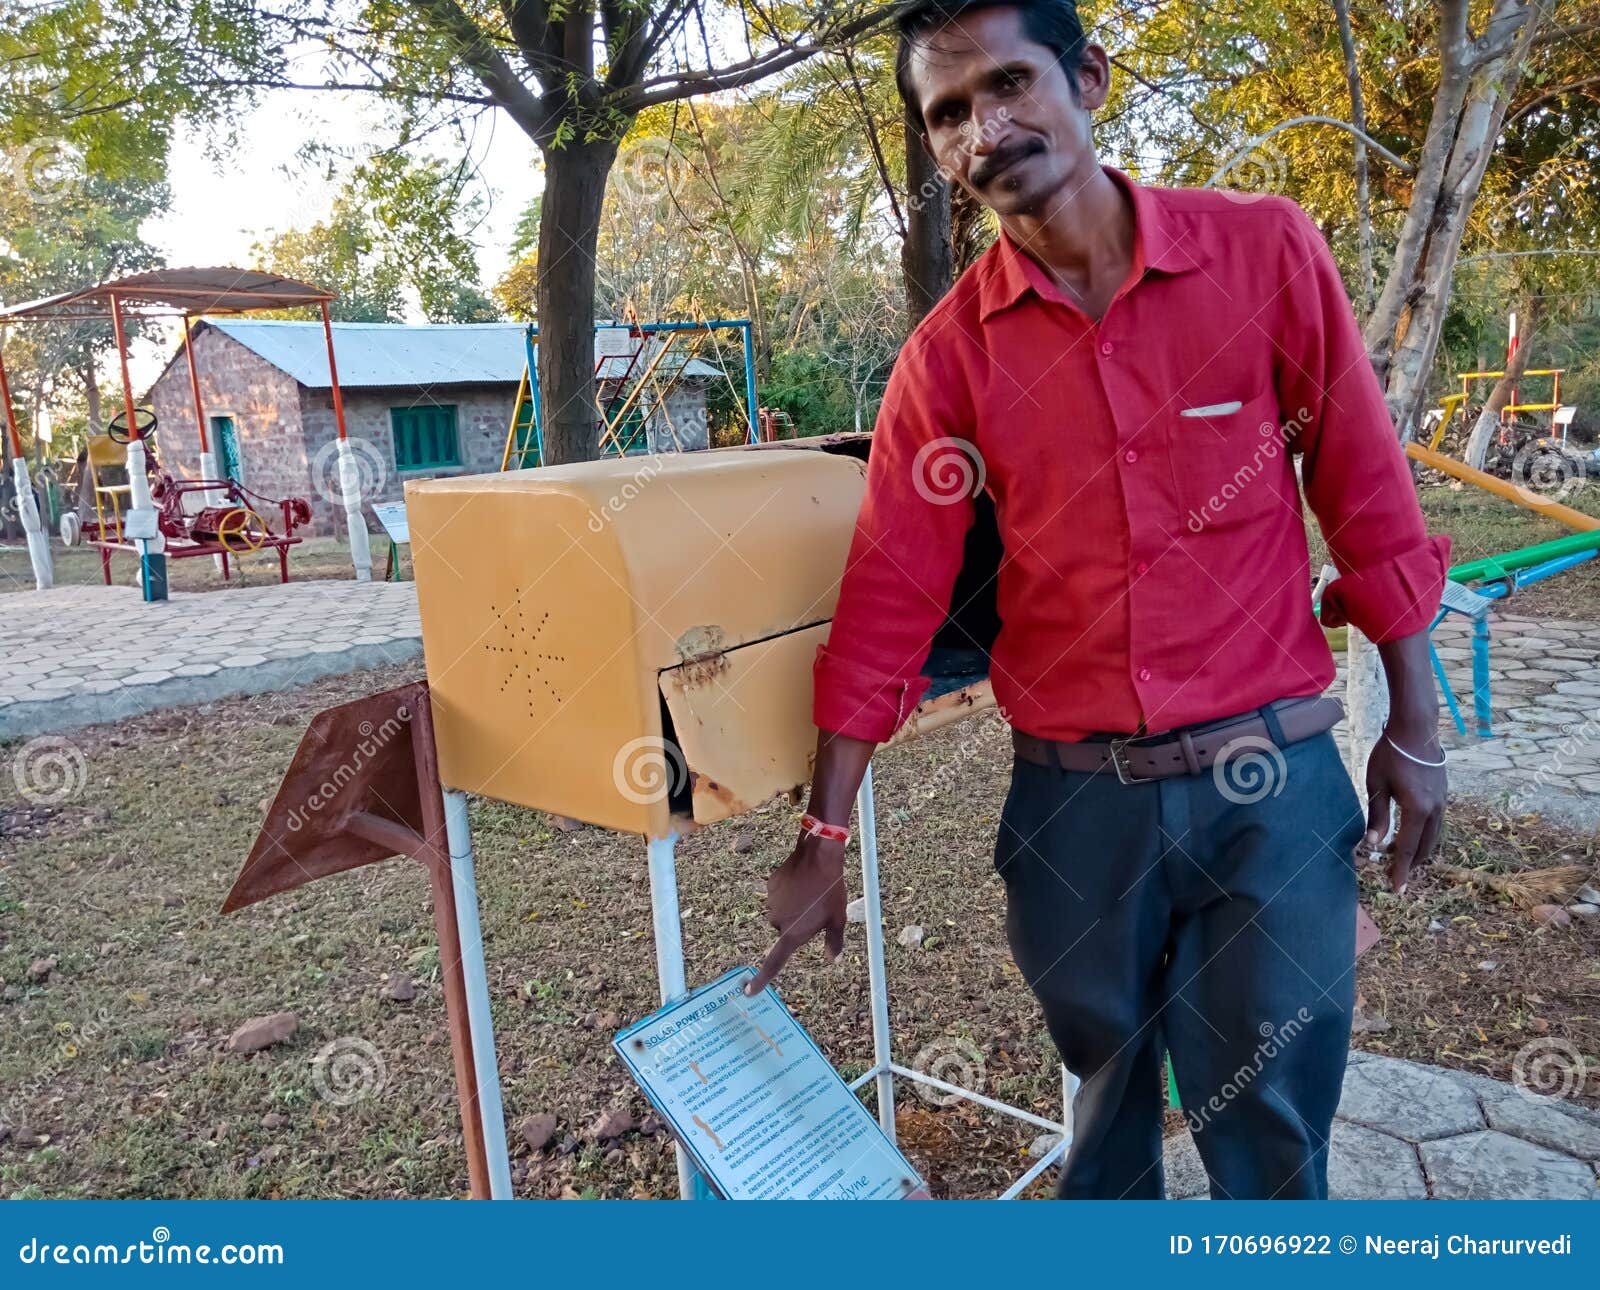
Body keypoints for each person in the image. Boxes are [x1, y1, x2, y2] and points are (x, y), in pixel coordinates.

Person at [746, 0, 1450, 1200]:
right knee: (1108, 1118)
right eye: (949, 114)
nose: (984, 129)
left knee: (1273, 1130)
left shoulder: (1264, 252)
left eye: (1011, 85)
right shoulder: (948, 359)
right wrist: (821, 836)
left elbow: (1366, 494)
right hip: (1076, 814)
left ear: (1089, 79)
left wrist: (1415, 725)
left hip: (1269, 791)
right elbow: (889, 602)